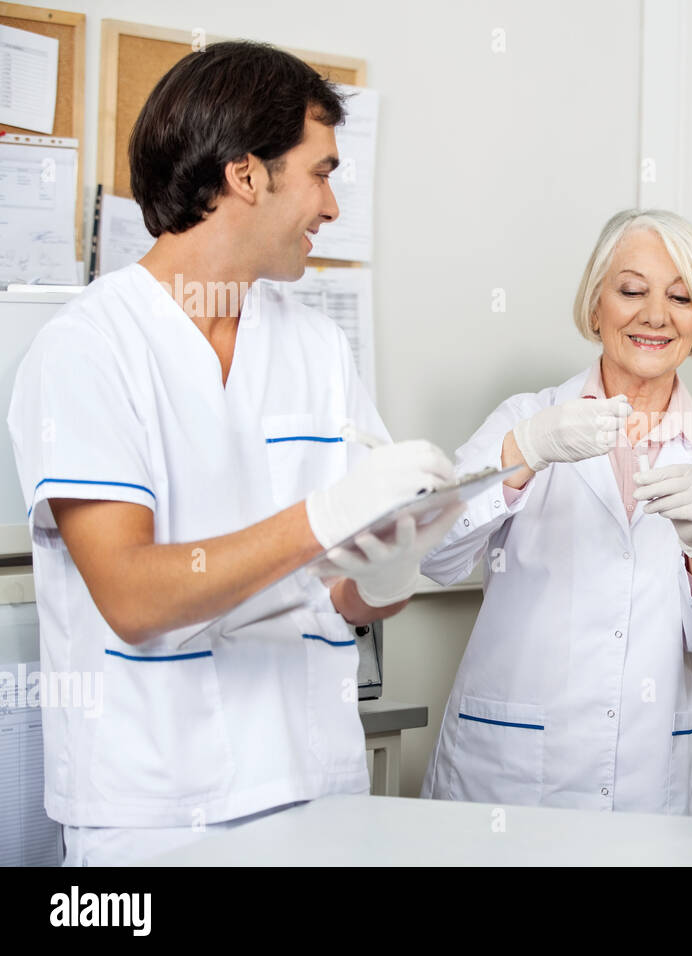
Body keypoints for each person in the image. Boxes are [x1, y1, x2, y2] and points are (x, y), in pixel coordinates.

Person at [7, 41, 455, 866]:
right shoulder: (88, 350)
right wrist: (324, 517)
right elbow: (134, 596)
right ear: (246, 175)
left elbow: (344, 594)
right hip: (154, 814)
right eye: (320, 173)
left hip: (318, 787)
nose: (330, 206)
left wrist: (387, 577)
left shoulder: (317, 348)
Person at [419, 209, 692, 814]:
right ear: (596, 303)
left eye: (681, 297)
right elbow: (433, 554)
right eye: (631, 290)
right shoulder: (524, 420)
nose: (655, 315)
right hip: (506, 775)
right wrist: (523, 453)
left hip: (646, 773)